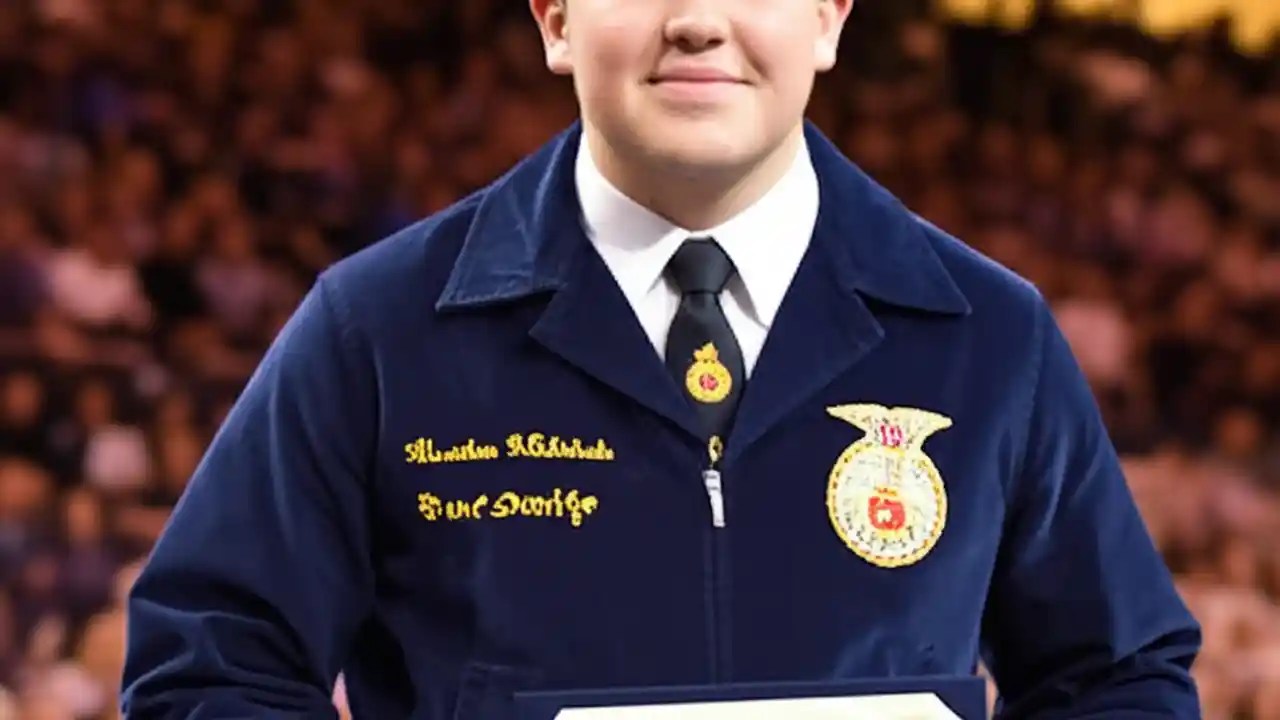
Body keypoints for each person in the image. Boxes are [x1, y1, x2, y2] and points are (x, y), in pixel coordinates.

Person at [120, 0, 1202, 718]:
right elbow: (209, 660)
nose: (695, 21)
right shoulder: (377, 331)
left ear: (828, 16)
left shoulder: (988, 337)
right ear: (552, 17)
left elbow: (1117, 678)